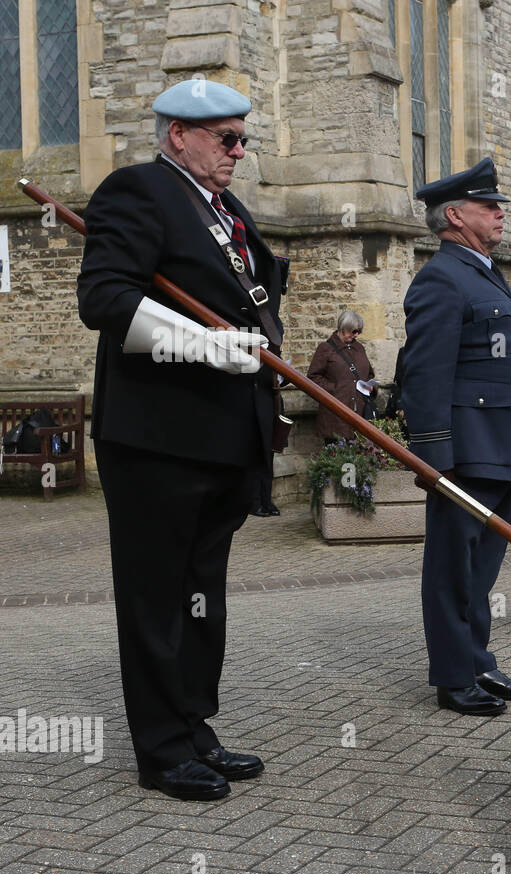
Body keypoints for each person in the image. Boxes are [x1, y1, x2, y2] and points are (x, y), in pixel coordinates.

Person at [77, 79, 281, 800]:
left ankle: (196, 727)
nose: (238, 151)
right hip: (159, 441)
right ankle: (162, 751)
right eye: (226, 138)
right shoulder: (138, 191)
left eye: (242, 139)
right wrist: (201, 344)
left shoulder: (224, 211)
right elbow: (104, 299)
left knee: (203, 596)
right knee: (158, 598)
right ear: (178, 137)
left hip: (223, 437)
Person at [403, 158, 511, 716]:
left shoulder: (483, 270)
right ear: (455, 216)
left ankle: (478, 661)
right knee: (452, 566)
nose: (501, 213)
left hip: (503, 443)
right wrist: (433, 455)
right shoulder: (441, 276)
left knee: (483, 566)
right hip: (466, 448)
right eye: (490, 206)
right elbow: (425, 371)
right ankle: (452, 675)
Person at [307, 310, 377, 442]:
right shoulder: (325, 348)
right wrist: (336, 389)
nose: (356, 335)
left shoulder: (360, 348)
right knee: (338, 462)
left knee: (361, 461)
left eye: (359, 332)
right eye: (353, 331)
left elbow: (369, 374)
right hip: (335, 417)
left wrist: (371, 387)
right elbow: (313, 378)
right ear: (343, 328)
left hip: (360, 417)